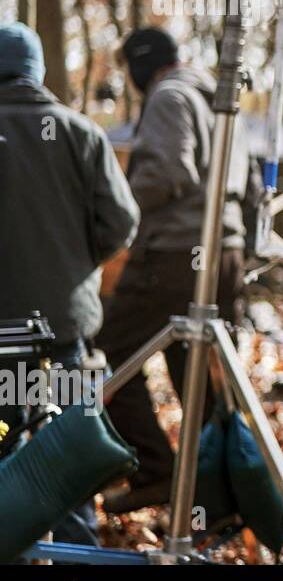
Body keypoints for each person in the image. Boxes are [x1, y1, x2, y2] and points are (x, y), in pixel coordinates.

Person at [98, 27, 249, 514]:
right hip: (224, 251)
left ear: (142, 64)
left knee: (111, 353)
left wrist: (114, 207)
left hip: (176, 252)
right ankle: (212, 499)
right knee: (198, 373)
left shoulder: (168, 97)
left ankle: (154, 471)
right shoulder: (218, 100)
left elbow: (168, 172)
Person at [0, 22, 139, 544]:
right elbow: (121, 221)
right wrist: (74, 261)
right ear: (37, 71)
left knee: (2, 441)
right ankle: (80, 560)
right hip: (62, 329)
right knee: (68, 451)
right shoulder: (79, 132)